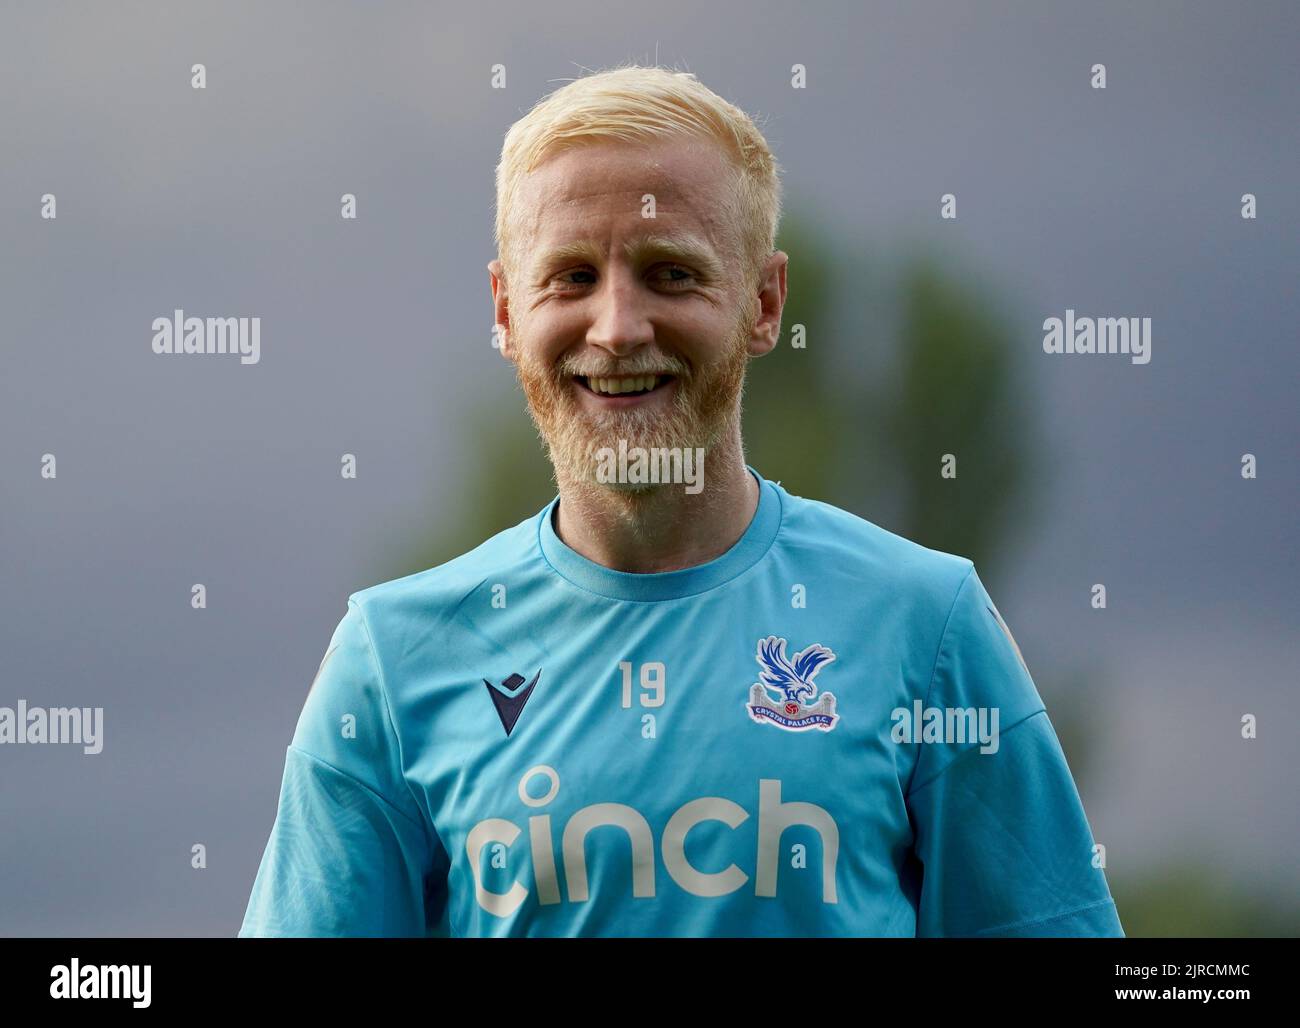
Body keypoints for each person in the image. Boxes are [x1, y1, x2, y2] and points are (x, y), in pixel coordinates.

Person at [239, 64, 1123, 938]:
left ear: (764, 302)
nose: (618, 327)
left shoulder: (926, 626)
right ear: (506, 311)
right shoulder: (392, 663)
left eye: (669, 275)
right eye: (572, 277)